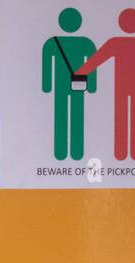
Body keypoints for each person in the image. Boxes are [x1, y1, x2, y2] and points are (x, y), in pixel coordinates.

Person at [74, 8, 135, 161]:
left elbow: (97, 59)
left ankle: (121, 153)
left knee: (122, 115)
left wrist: (80, 72)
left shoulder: (116, 42)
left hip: (121, 86)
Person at [42, 7, 97, 162]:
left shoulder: (52, 43)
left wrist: (47, 86)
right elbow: (92, 65)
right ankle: (77, 152)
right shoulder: (86, 43)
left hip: (60, 85)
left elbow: (47, 65)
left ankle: (60, 152)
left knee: (60, 115)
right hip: (78, 86)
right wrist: (92, 86)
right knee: (77, 116)